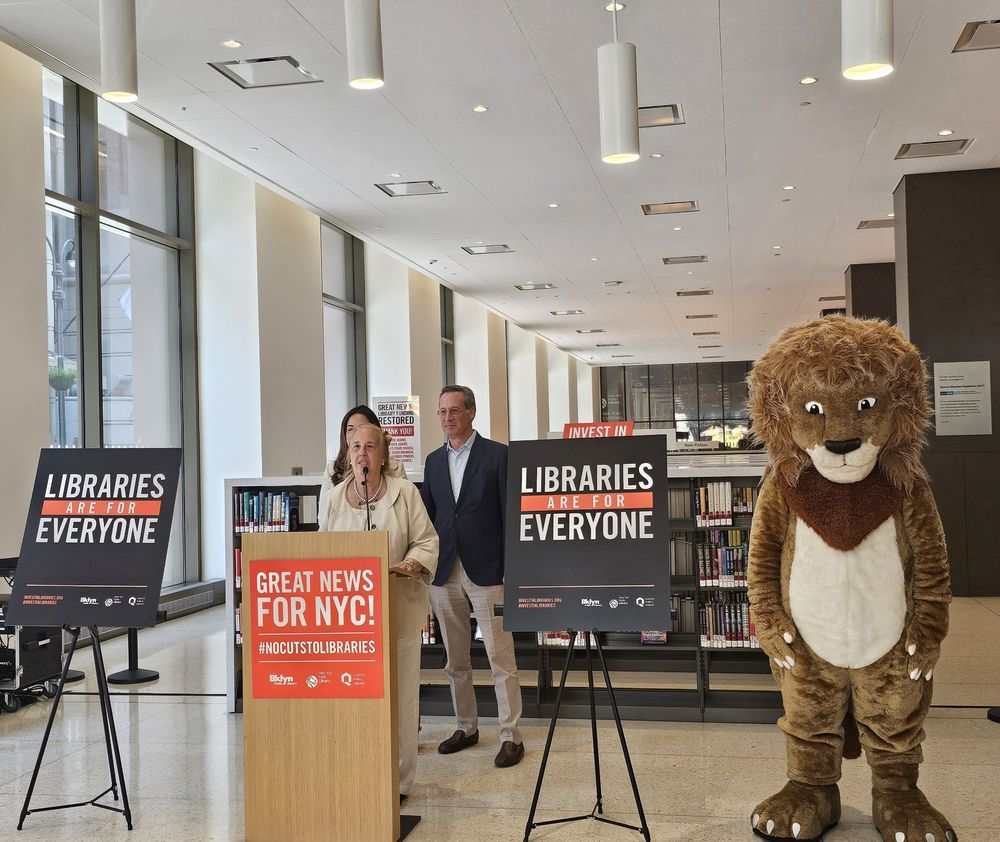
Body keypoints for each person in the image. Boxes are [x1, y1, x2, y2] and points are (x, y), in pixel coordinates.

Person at [318, 423, 438, 800]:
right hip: (349, 621)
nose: (362, 454)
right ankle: (357, 769)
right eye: (356, 447)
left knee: (401, 697)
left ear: (383, 455)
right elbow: (323, 552)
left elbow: (427, 542)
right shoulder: (335, 497)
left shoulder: (404, 494)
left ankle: (400, 781)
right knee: (353, 698)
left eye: (370, 447)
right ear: (348, 453)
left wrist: (408, 565)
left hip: (397, 613)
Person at [420, 385, 524, 768]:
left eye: (454, 410)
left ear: (471, 413)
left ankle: (511, 735)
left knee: (500, 656)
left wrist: (510, 566)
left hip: (487, 570)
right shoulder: (432, 462)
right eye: (442, 411)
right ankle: (466, 725)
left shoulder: (498, 456)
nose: (447, 418)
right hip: (445, 570)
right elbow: (429, 519)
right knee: (455, 659)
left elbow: (509, 515)